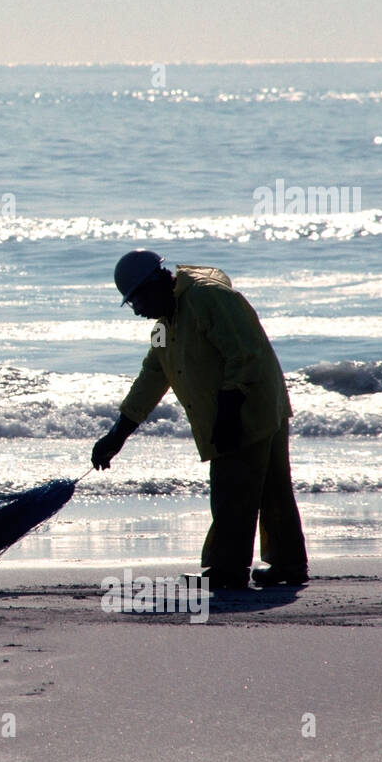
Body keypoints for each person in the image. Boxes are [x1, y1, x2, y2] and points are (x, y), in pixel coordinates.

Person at [92, 249, 309, 590]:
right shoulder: (166, 326)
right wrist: (117, 434)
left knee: (232, 490)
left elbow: (245, 353)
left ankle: (226, 571)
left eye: (137, 301)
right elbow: (152, 377)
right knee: (271, 489)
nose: (137, 311)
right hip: (257, 406)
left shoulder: (209, 297)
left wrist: (228, 411)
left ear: (156, 284)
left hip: (249, 404)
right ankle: (288, 564)